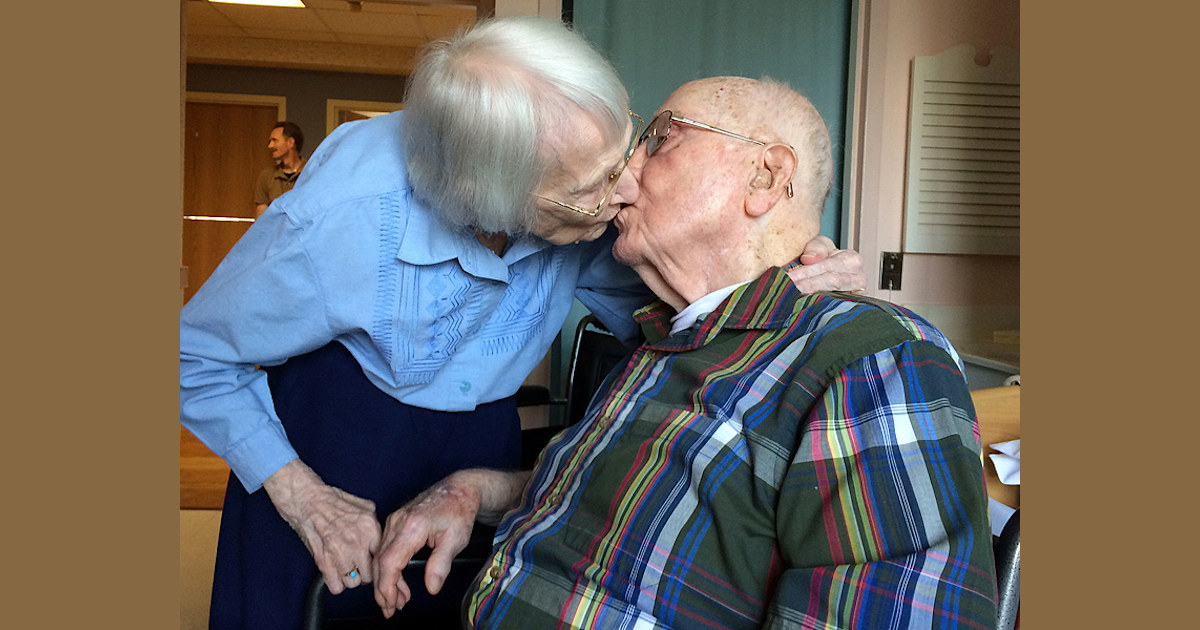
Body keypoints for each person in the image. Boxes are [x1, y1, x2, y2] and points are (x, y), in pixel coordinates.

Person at [181, 17, 865, 629]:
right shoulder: (345, 217)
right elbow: (190, 353)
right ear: (489, 199)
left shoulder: (589, 195)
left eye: (626, 149)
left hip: (477, 441)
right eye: (587, 187)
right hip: (328, 438)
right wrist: (304, 497)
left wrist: (800, 269)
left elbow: (693, 315)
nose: (626, 187)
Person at [372, 76, 997, 629]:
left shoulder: (872, 357)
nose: (621, 173)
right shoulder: (665, 340)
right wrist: (479, 491)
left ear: (767, 176)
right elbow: (620, 494)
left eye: (660, 138)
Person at [253, 121, 305, 217]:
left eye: (274, 140)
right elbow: (261, 219)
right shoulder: (266, 176)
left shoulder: (312, 173)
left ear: (290, 142)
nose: (270, 146)